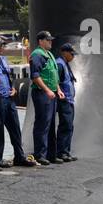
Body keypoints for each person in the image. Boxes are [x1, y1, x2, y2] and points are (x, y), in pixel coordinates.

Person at [0, 36, 33, 168]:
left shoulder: (3, 59)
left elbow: (9, 76)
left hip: (9, 98)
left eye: (2, 45)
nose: (1, 48)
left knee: (15, 130)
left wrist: (13, 87)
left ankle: (19, 156)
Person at [29, 31, 59, 165]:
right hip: (42, 93)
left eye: (51, 40)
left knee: (51, 124)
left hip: (51, 93)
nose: (50, 42)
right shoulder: (37, 55)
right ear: (40, 41)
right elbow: (35, 76)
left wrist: (58, 89)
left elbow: (53, 74)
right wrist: (47, 90)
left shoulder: (49, 54)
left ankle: (51, 154)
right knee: (42, 124)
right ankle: (40, 154)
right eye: (47, 40)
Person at [52, 42, 78, 162]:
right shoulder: (60, 64)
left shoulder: (65, 64)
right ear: (65, 53)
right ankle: (61, 152)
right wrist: (59, 93)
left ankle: (66, 151)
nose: (73, 56)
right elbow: (55, 81)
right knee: (65, 125)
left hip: (69, 100)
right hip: (64, 100)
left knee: (69, 126)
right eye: (71, 54)